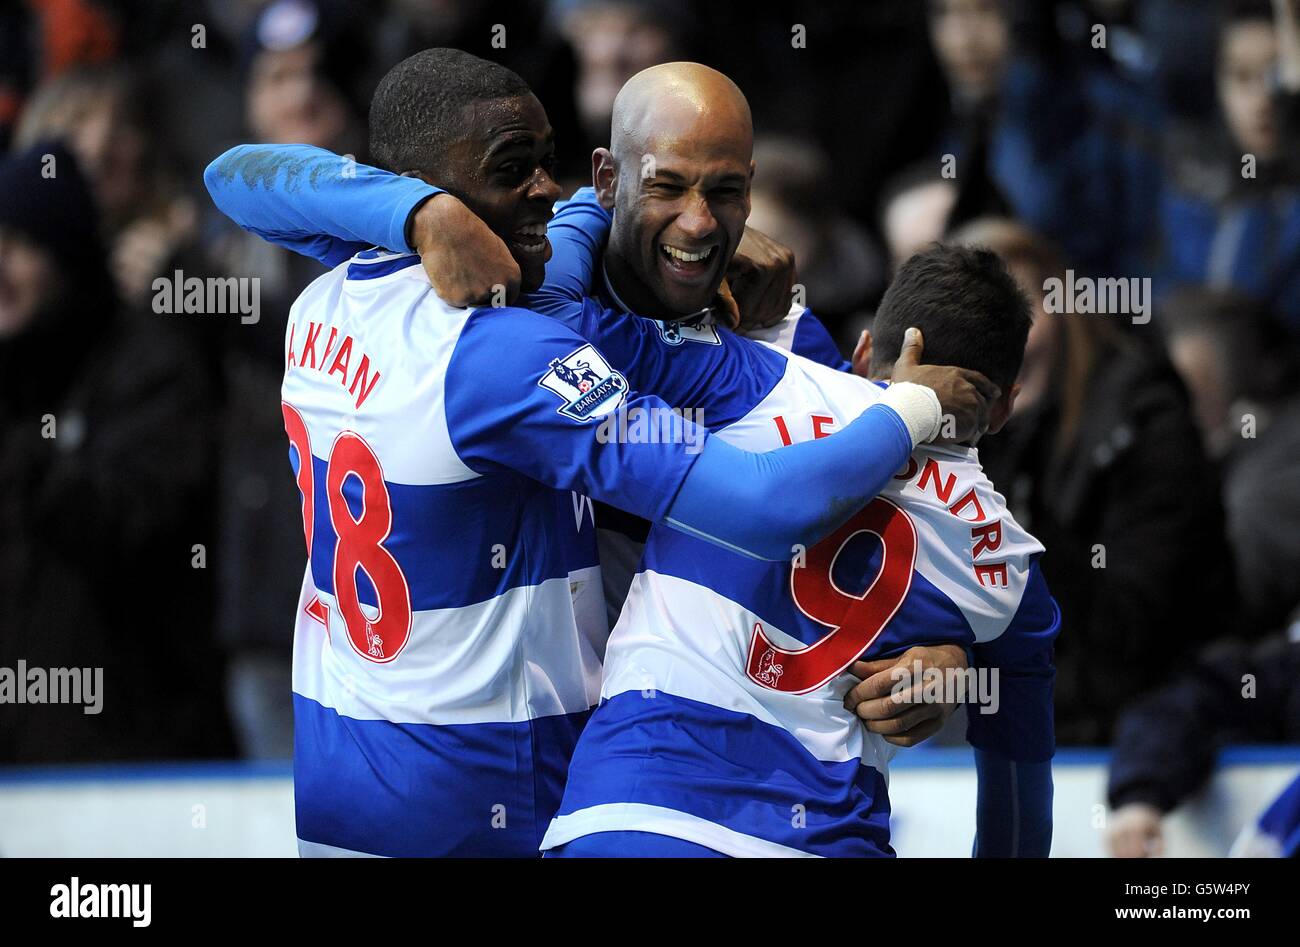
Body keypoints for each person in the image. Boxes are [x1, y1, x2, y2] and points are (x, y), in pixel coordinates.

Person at [206, 49, 992, 857]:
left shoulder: (330, 301)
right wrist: (919, 403)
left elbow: (891, 540)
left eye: (723, 191)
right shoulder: (521, 341)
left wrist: (938, 657)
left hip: (356, 779)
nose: (699, 222)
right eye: (667, 185)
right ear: (612, 177)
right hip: (520, 795)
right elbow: (768, 502)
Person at [949, 217, 1231, 745]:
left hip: (1154, 728)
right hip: (998, 734)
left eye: (1020, 307)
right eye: (974, 317)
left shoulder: (1143, 418)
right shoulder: (951, 434)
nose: (1001, 335)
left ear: (1064, 307)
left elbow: (1144, 625)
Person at [0, 142, 231, 762]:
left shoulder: (150, 367)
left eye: (18, 246)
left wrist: (21, 453)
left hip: (126, 758)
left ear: (67, 254)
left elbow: (131, 525)